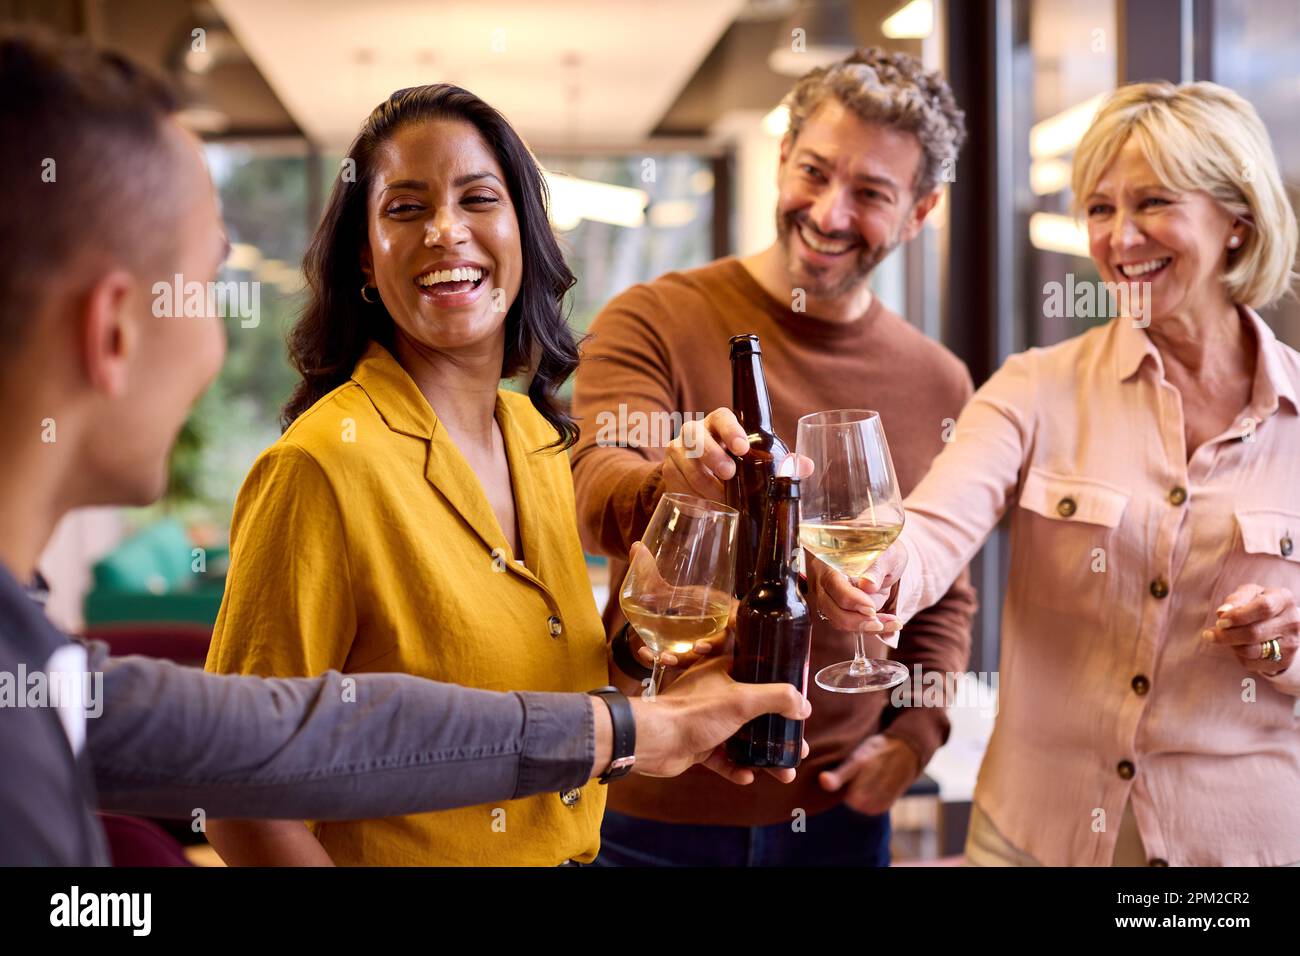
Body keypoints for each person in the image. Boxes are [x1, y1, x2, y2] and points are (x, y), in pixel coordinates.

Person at [0, 27, 810, 866]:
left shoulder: (536, 439)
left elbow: (542, 695)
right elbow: (248, 792)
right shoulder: (319, 466)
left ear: (526, 235)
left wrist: (645, 664)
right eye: (406, 208)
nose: (446, 233)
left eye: (479, 200)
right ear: (366, 257)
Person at [835, 80, 1300, 866]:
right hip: (1033, 839)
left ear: (1237, 223)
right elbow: (934, 527)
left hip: (1236, 851)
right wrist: (877, 574)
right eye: (1098, 208)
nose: (1119, 238)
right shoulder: (1036, 385)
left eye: (1152, 203)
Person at [570, 48, 977, 866]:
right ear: (782, 159)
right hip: (650, 804)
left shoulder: (938, 378)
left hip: (837, 812)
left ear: (920, 211)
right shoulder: (652, 317)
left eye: (870, 193)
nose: (829, 213)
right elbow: (592, 490)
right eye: (815, 172)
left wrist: (915, 737)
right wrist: (676, 479)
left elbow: (945, 593)